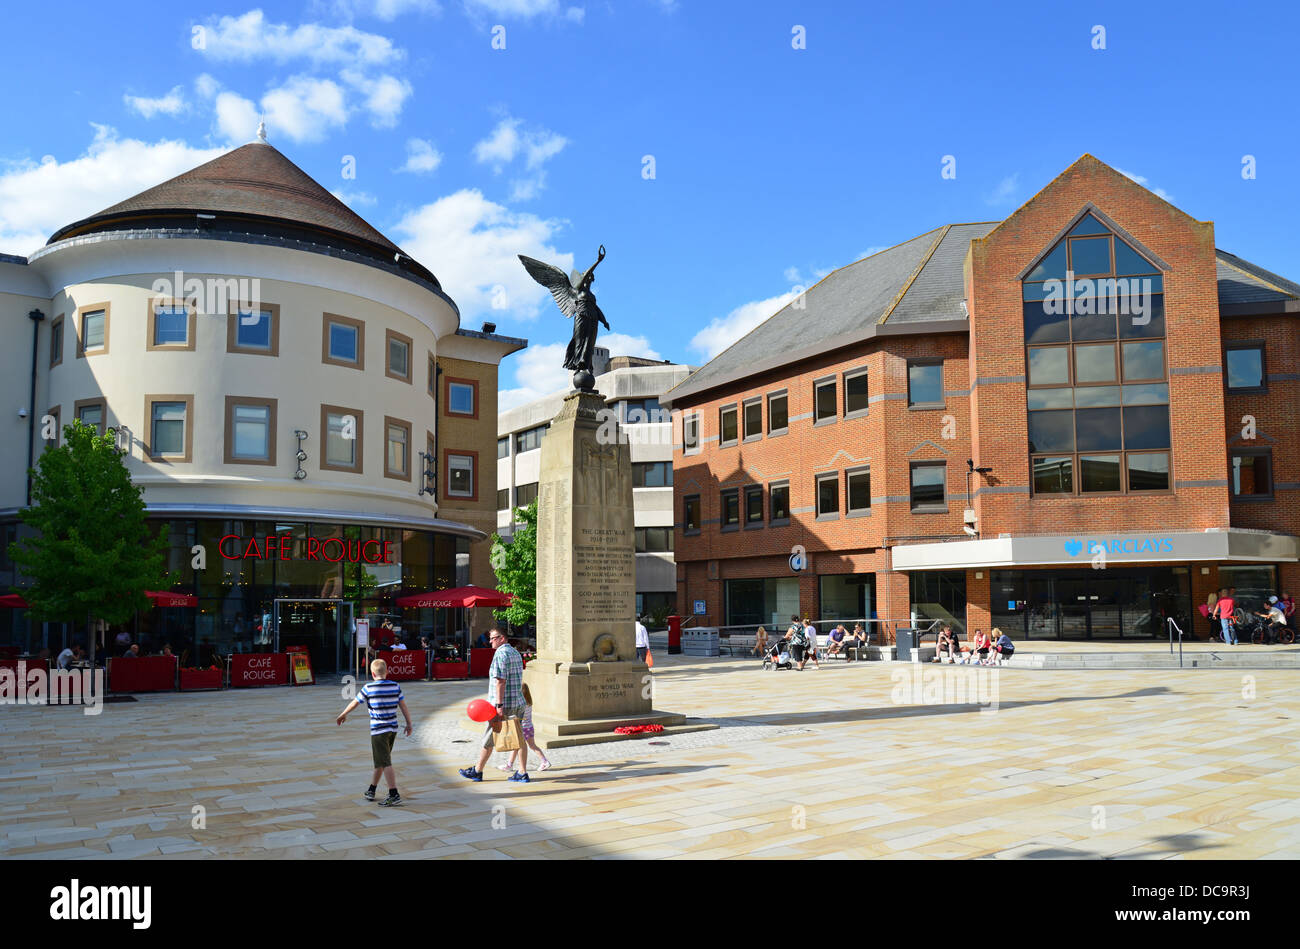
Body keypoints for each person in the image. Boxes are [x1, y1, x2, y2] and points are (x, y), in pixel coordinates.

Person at [336, 658, 413, 806]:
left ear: (372, 673)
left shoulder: (368, 688)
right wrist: (409, 724)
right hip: (392, 729)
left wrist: (343, 714)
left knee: (385, 761)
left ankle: (393, 793)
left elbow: (355, 702)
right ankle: (372, 789)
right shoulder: (395, 686)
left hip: (379, 730)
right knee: (382, 760)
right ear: (387, 672)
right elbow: (403, 706)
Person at [459, 629, 529, 783]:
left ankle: (477, 771)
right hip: (517, 702)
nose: (490, 641)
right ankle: (522, 772)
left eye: (493, 638)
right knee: (520, 738)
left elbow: (500, 681)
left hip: (504, 705)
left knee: (489, 738)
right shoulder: (515, 653)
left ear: (502, 638)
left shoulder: (500, 654)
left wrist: (499, 705)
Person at [498, 683, 552, 774]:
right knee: (532, 746)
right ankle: (544, 761)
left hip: (522, 729)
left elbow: (517, 717)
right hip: (529, 727)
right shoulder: (529, 702)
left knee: (517, 746)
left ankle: (510, 765)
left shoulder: (521, 705)